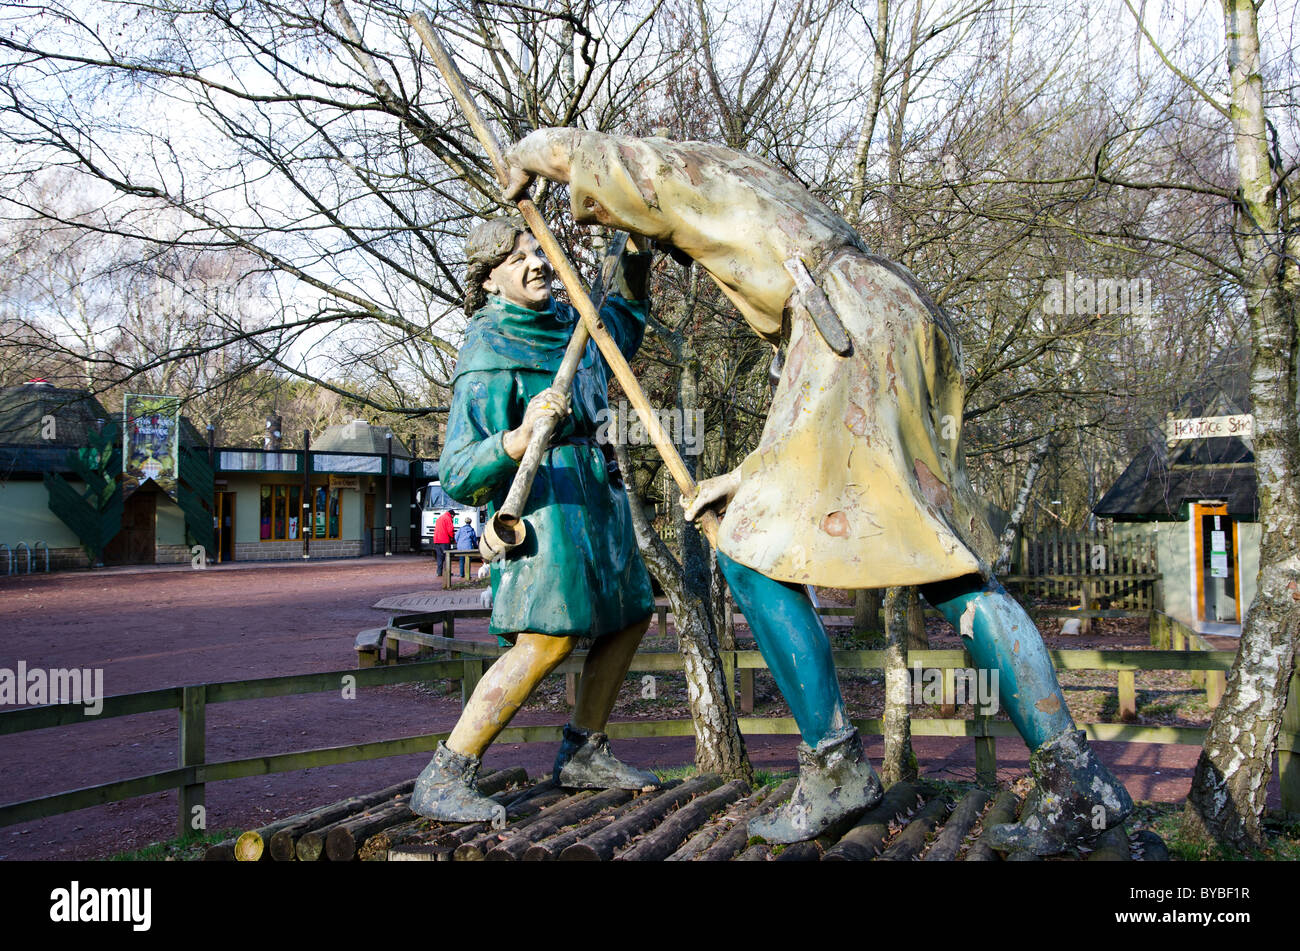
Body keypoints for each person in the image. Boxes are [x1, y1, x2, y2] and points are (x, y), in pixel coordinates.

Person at [502, 129, 1133, 853]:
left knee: (744, 552)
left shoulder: (689, 171)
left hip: (841, 324)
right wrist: (746, 478)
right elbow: (812, 421)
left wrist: (536, 152)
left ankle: (833, 765)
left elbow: (632, 169)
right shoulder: (765, 188)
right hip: (887, 314)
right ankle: (1074, 776)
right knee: (945, 560)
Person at [410, 216, 659, 826]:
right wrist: (518, 438)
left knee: (630, 615)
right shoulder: (488, 354)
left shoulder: (571, 324)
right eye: (519, 258)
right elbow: (461, 470)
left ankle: (583, 750)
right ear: (490, 279)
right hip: (543, 508)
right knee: (547, 637)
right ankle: (447, 771)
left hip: (596, 496)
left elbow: (622, 322)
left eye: (539, 252)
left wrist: (633, 248)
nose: (538, 264)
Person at [432, 506, 455, 578]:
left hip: (437, 540)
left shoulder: (440, 518)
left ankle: (439, 572)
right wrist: (452, 538)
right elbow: (450, 530)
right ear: (452, 515)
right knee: (447, 557)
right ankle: (447, 572)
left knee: (439, 556)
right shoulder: (448, 518)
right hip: (444, 540)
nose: (453, 518)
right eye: (453, 517)